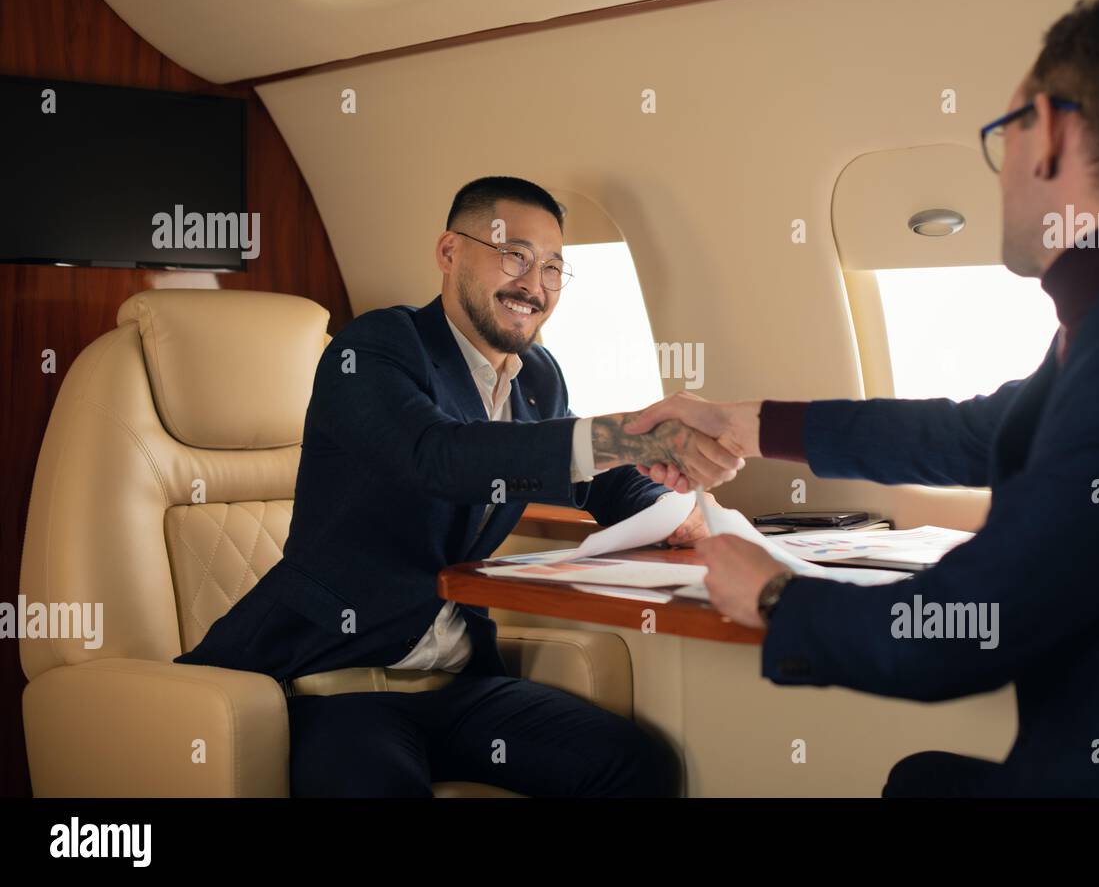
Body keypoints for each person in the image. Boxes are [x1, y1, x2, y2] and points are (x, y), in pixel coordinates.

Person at [627, 0, 1099, 796]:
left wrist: (773, 593)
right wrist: (739, 423)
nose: (1003, 170)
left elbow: (967, 630)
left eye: (1004, 135)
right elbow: (974, 433)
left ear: (1048, 129)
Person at [176, 175, 742, 796]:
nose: (535, 284)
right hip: (339, 686)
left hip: (463, 690)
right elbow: (439, 456)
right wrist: (631, 435)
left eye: (554, 267)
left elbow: (594, 483)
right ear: (449, 253)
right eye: (513, 255)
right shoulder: (373, 350)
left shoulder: (537, 377)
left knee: (637, 764)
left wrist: (673, 505)